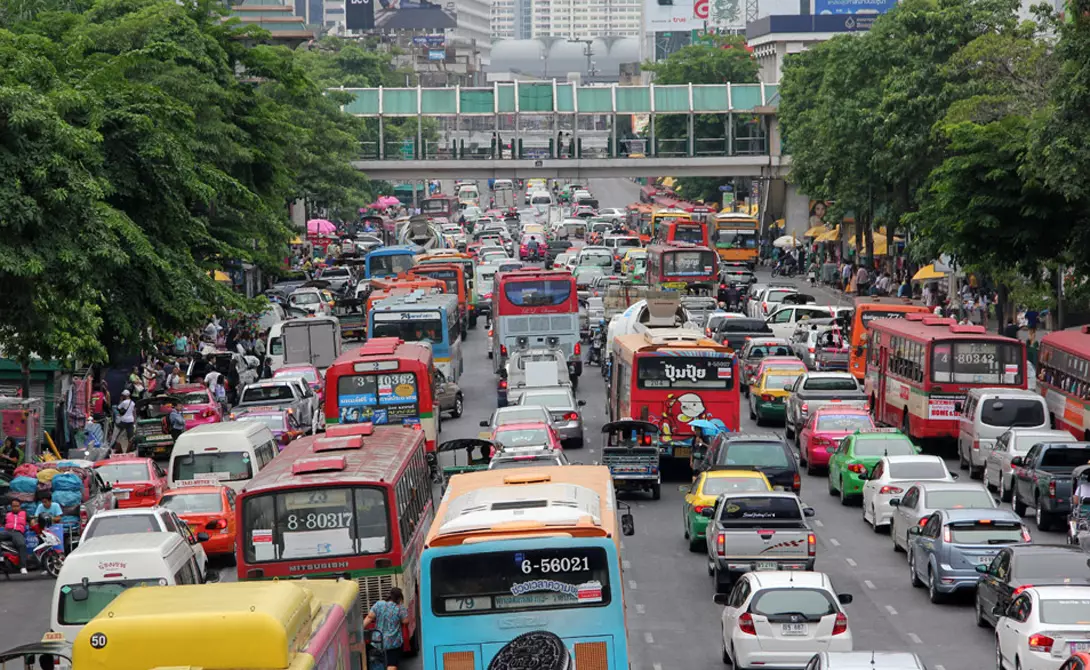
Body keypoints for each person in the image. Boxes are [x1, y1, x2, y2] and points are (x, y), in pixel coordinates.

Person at [364, 587, 410, 670]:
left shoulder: (379, 604)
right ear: (399, 598)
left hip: (377, 642)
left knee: (376, 663)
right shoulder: (400, 608)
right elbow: (406, 621)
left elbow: (369, 617)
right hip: (393, 644)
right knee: (391, 665)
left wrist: (359, 630)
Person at [0, 499, 29, 573]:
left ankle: (23, 567)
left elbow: (32, 522)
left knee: (22, 545)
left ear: (20, 506)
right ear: (11, 506)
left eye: (17, 506)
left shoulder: (24, 513)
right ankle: (1, 557)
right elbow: (2, 523)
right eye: (13, 506)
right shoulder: (7, 514)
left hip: (17, 533)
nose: (15, 508)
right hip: (7, 532)